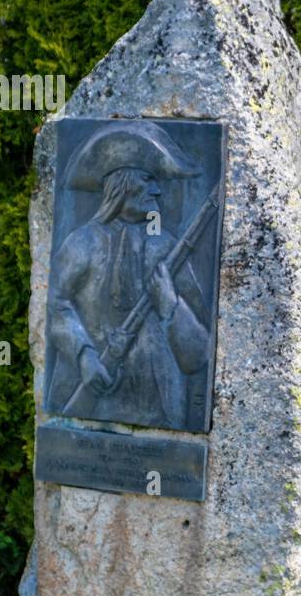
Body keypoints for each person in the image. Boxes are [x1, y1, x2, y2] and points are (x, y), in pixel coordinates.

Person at [44, 121, 211, 429]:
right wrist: (84, 357)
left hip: (160, 407)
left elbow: (200, 353)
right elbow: (56, 306)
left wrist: (171, 306)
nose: (157, 189)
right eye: (148, 179)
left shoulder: (169, 248)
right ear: (122, 183)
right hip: (98, 391)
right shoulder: (81, 243)